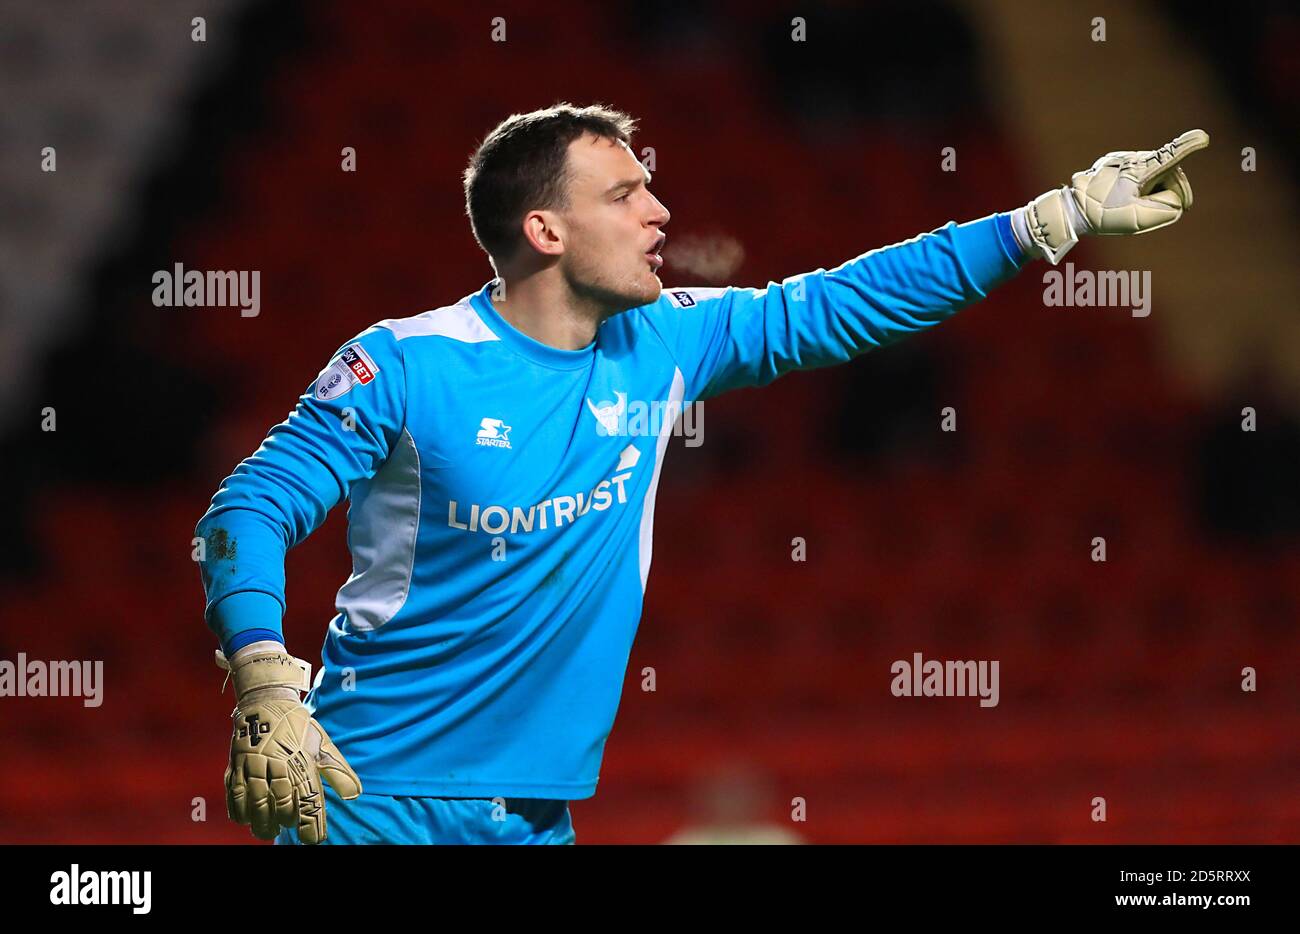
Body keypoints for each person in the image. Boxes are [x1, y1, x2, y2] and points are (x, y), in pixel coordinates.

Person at [195, 102, 1208, 844]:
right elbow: (250, 503)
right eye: (626, 192)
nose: (659, 211)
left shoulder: (664, 340)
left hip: (534, 815)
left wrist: (1053, 218)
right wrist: (264, 678)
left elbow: (843, 302)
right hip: (374, 797)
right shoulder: (407, 364)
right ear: (544, 231)